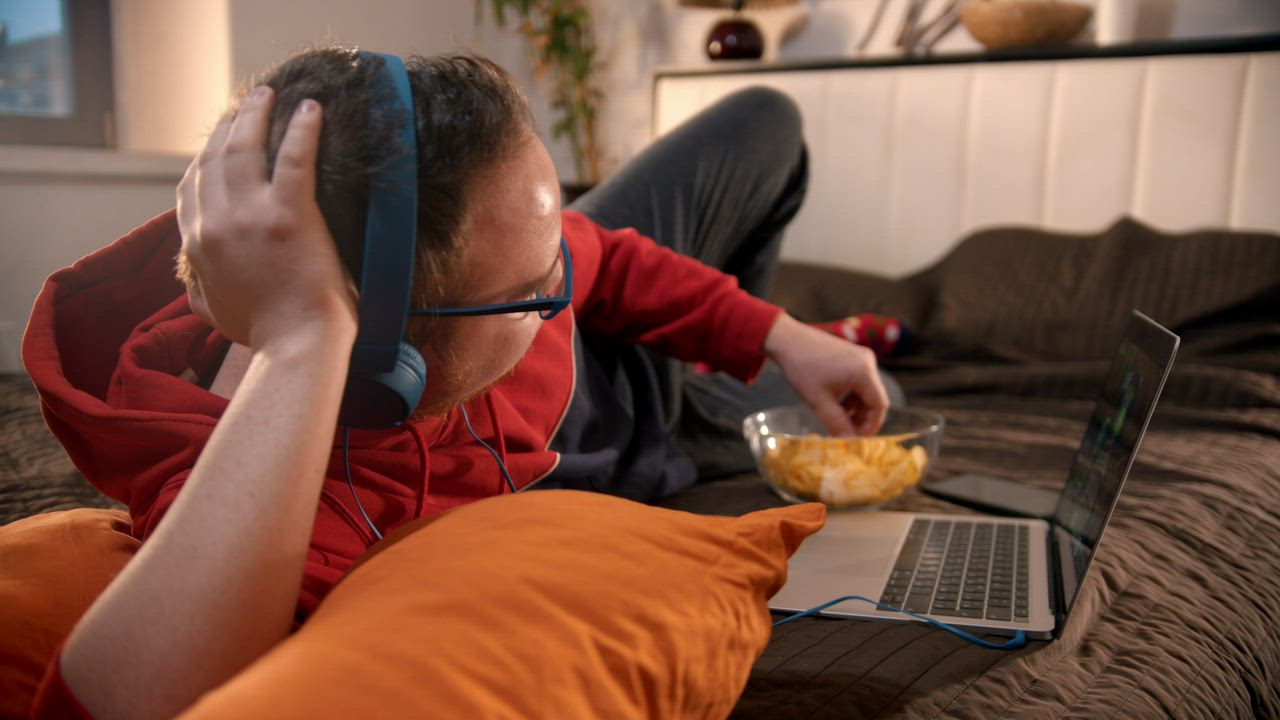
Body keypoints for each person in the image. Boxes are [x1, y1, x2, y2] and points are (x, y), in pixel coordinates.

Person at [19, 48, 891, 718]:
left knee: (764, 116)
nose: (560, 303)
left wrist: (779, 335)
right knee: (874, 419)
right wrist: (303, 345)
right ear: (377, 357)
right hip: (662, 439)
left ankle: (816, 335)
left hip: (624, 364)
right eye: (528, 295)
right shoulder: (283, 485)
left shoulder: (501, 249)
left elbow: (598, 258)